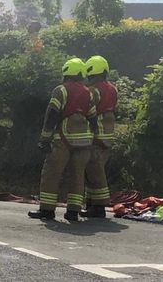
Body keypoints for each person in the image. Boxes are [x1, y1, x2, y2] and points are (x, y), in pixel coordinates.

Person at [28, 58, 98, 222]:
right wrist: (92, 139)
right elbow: (93, 118)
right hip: (85, 142)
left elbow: (51, 115)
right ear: (81, 73)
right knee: (78, 175)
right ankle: (73, 211)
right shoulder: (89, 92)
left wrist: (44, 139)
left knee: (52, 173)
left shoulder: (61, 90)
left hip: (62, 140)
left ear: (66, 73)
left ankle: (47, 210)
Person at [83, 55, 117, 218]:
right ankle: (91, 203)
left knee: (95, 170)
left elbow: (87, 111)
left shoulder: (93, 91)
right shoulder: (113, 88)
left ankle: (99, 205)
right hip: (108, 136)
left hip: (95, 135)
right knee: (96, 168)